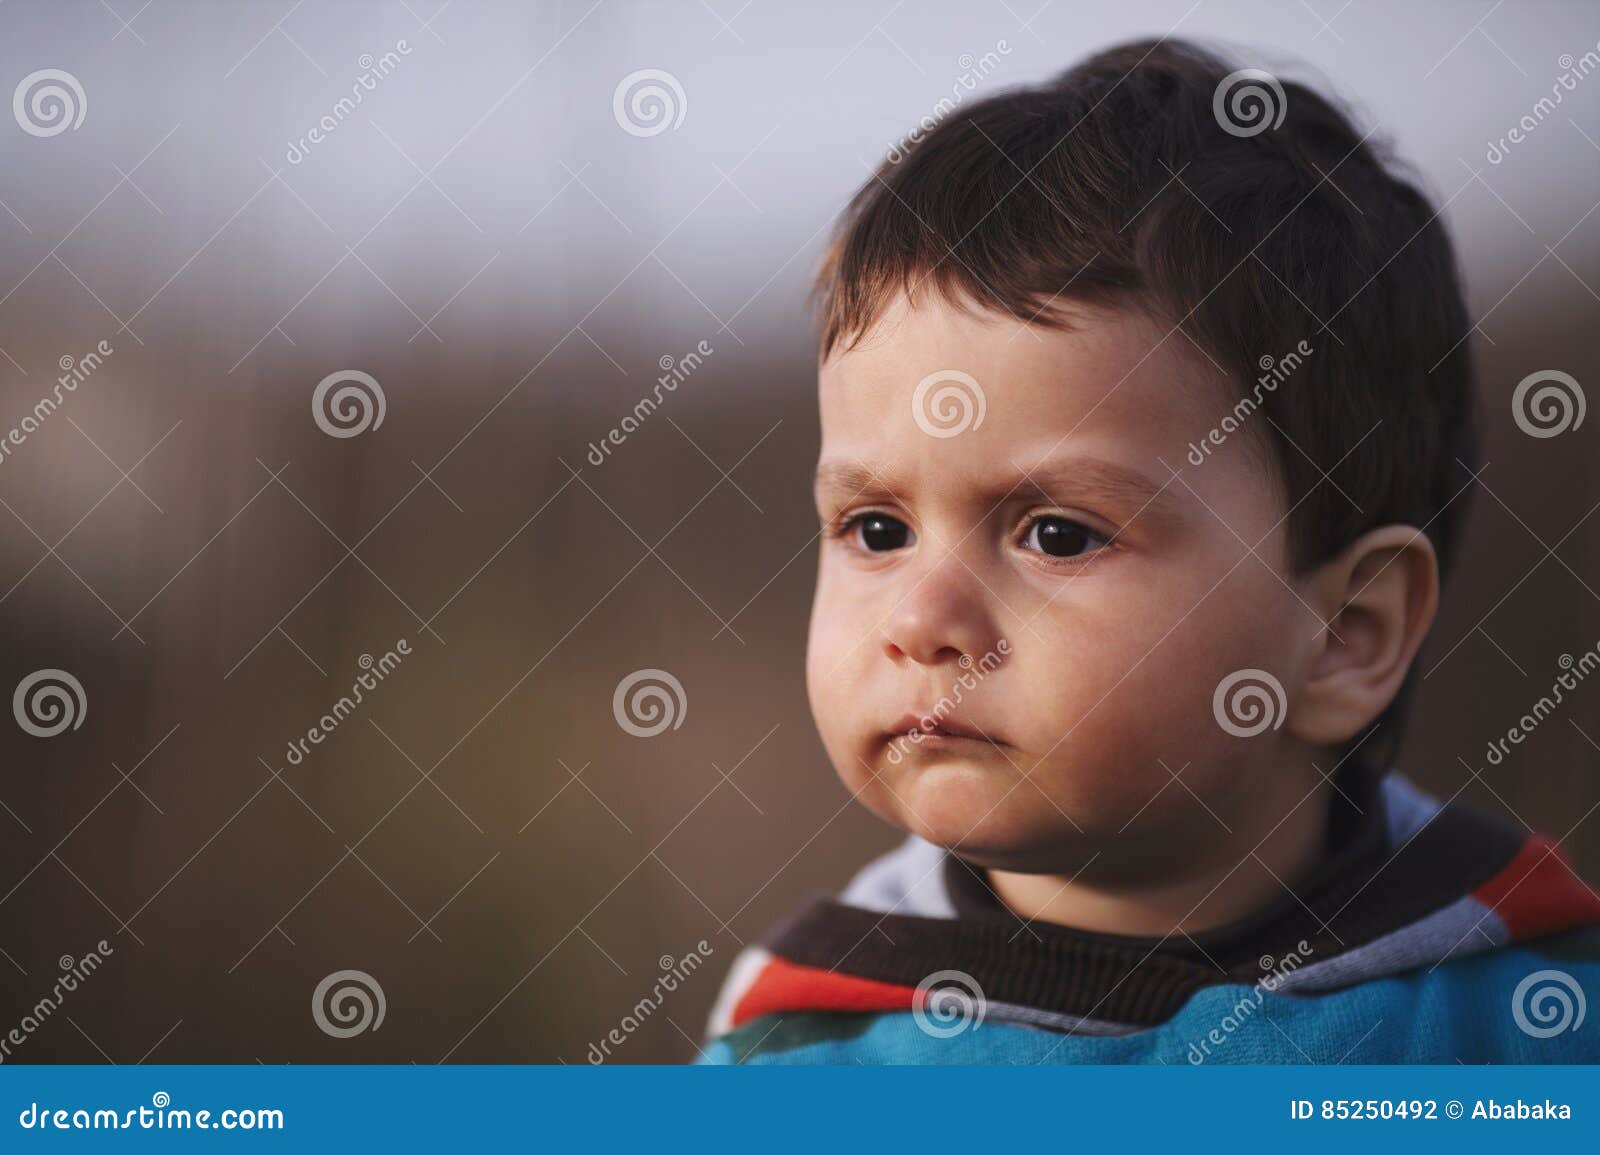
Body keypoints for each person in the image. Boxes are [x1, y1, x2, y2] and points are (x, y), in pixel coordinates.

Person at [700, 38, 1600, 1063]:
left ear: (1346, 632)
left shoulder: (1531, 1023)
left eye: (1057, 535)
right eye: (877, 530)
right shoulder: (797, 1056)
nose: (920, 620)